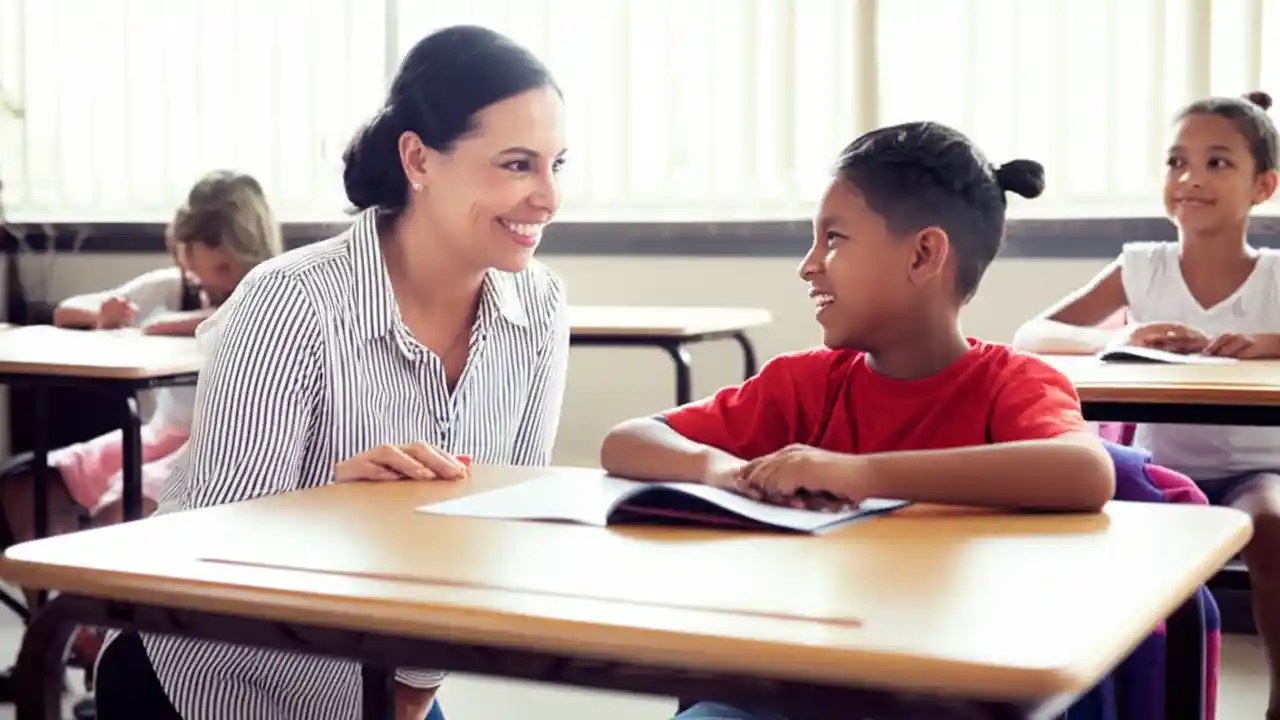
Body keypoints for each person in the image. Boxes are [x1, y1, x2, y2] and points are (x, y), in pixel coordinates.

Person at [93, 25, 570, 720]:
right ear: (418, 159)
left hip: (385, 683)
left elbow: (505, 530)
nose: (549, 198)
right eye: (518, 164)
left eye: (559, 164)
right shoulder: (289, 300)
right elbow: (212, 559)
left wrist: (415, 687)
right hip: (214, 683)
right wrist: (325, 511)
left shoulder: (542, 307)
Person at [600, 121, 1115, 719]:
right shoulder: (807, 383)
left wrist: (859, 474)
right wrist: (720, 471)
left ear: (924, 254)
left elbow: (1083, 472)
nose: (809, 266)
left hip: (952, 690)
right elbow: (628, 441)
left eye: (834, 239)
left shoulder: (1011, 383)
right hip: (802, 679)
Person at [1014, 90, 1280, 719]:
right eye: (1175, 161)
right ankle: (1121, 690)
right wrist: (1122, 335)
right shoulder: (1143, 266)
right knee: (1093, 531)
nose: (1189, 178)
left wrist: (1270, 344)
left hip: (1256, 470)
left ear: (1263, 186)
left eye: (1217, 163)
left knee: (1272, 526)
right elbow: (1034, 334)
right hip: (1162, 468)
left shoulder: (1275, 275)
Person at [0, 169, 279, 555]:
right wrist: (103, 316)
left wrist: (170, 324)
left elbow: (239, 316)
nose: (213, 282)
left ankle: (100, 605)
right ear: (184, 253)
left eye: (226, 268)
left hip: (220, 444)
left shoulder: (271, 289)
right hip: (158, 435)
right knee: (26, 483)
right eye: (202, 269)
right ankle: (54, 610)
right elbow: (67, 311)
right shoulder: (171, 286)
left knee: (121, 507)